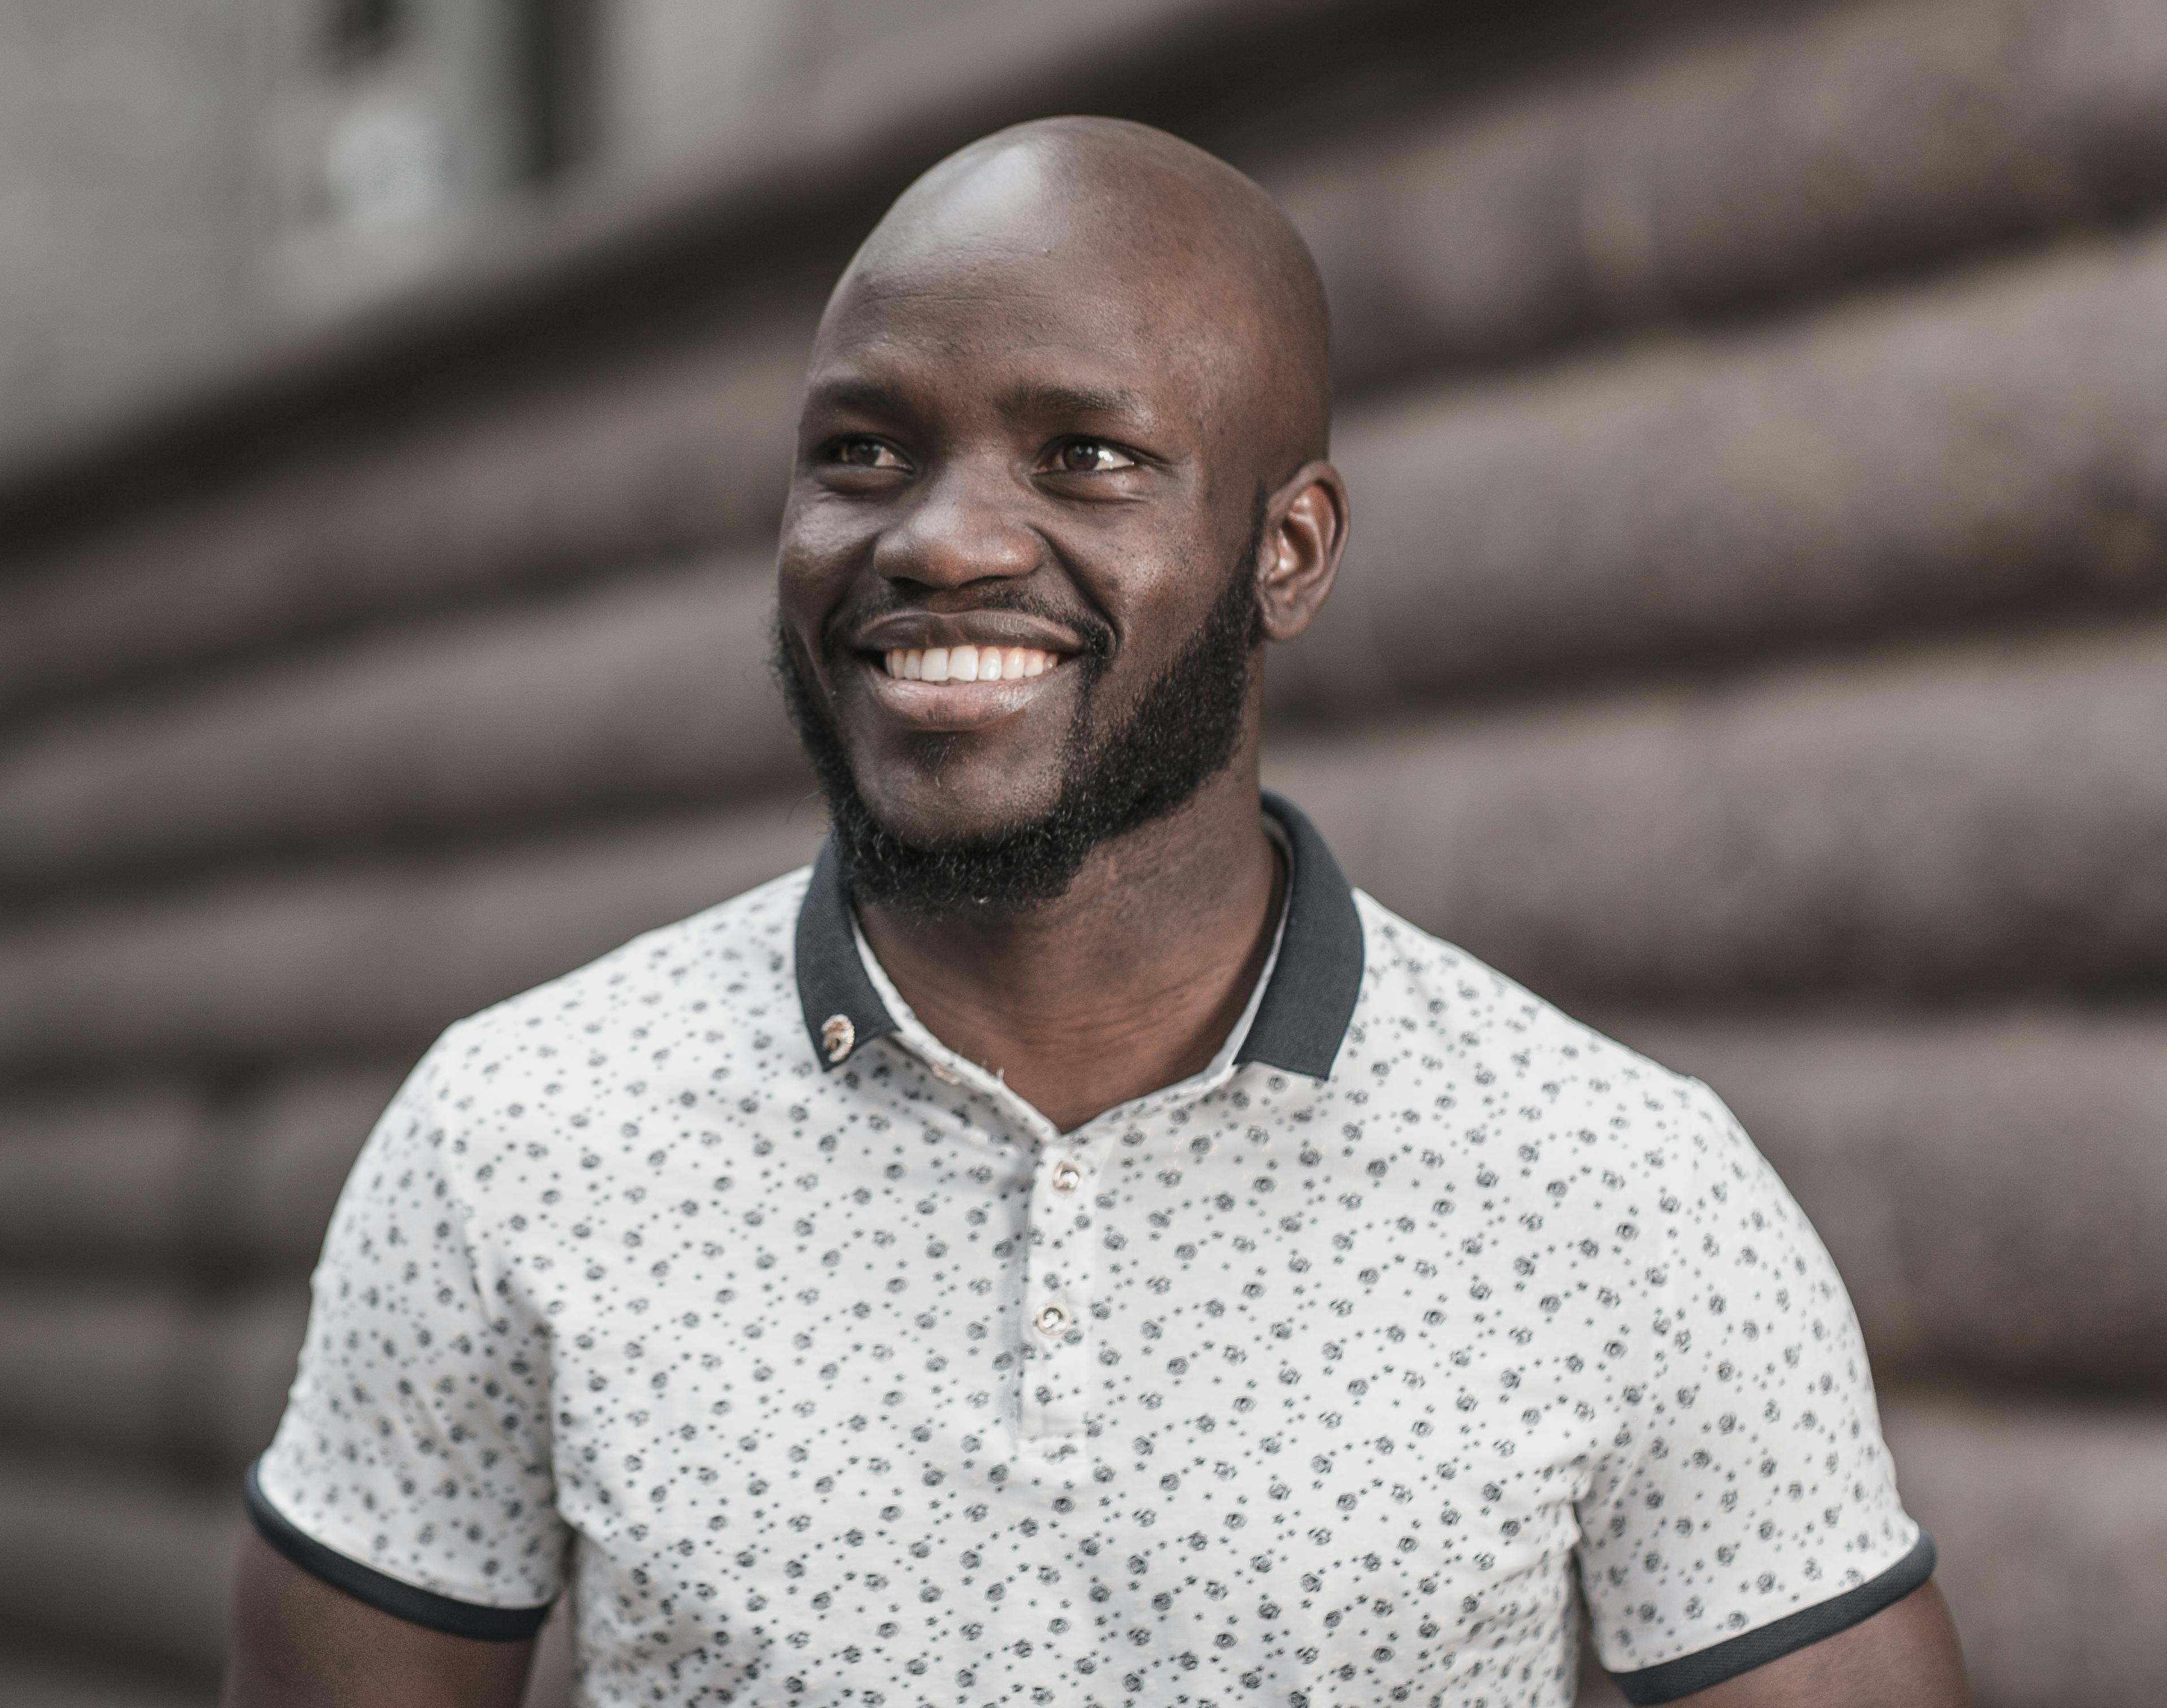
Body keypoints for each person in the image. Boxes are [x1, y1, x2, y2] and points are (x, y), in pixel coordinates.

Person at [224, 120, 1966, 1707]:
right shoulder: (520, 1135)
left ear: (1290, 551)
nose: (941, 539)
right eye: (863, 451)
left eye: (1085, 457)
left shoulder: (1621, 1191)